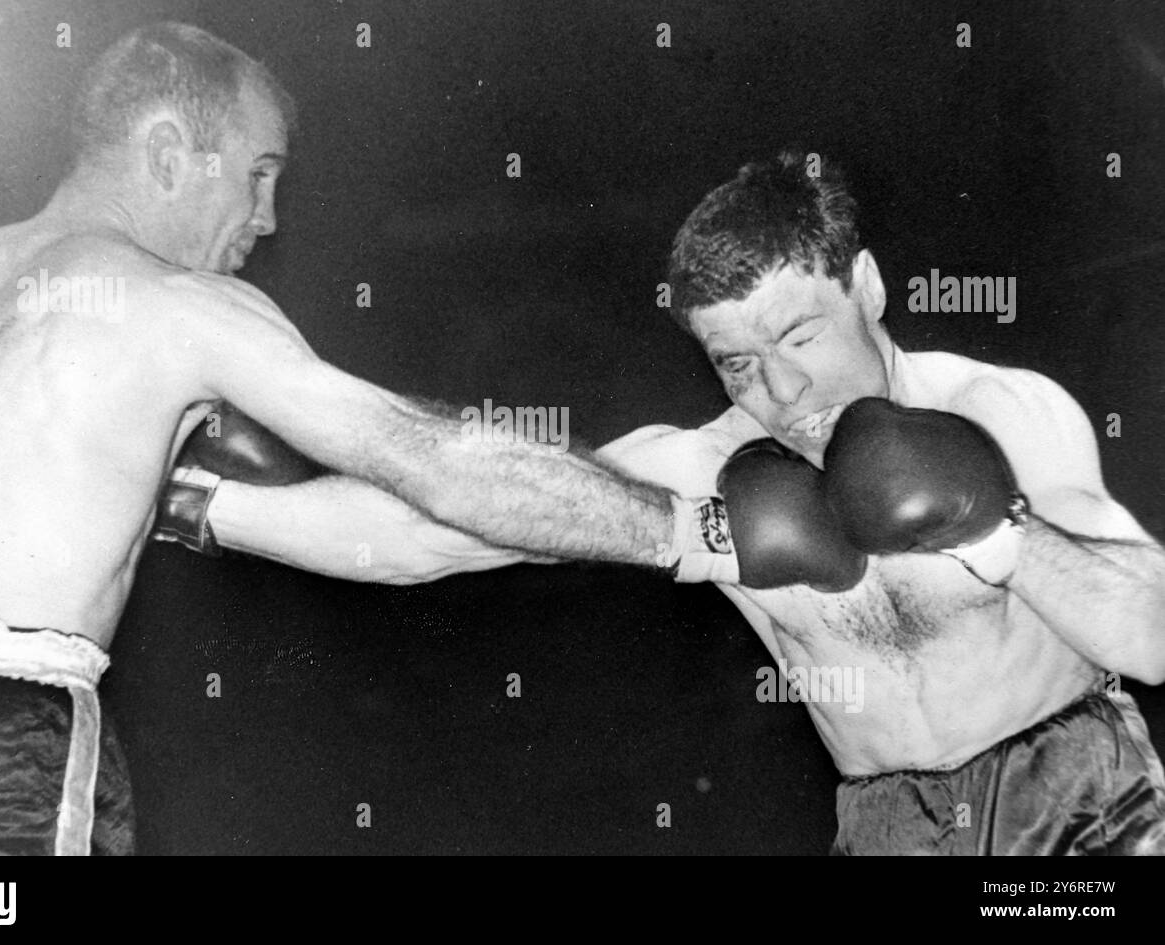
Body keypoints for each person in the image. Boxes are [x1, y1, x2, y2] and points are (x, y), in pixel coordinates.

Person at [0, 22, 738, 856]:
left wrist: (197, 504)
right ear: (170, 153)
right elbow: (428, 462)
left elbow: (369, 542)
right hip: (5, 755)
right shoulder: (183, 311)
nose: (270, 216)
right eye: (257, 172)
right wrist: (687, 531)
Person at [170, 152, 1165, 854]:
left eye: (802, 336)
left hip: (1077, 797)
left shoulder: (993, 412)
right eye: (738, 361)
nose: (781, 393)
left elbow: (1153, 635)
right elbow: (425, 537)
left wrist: (1004, 530)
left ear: (864, 285)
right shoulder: (703, 471)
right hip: (886, 823)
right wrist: (197, 505)